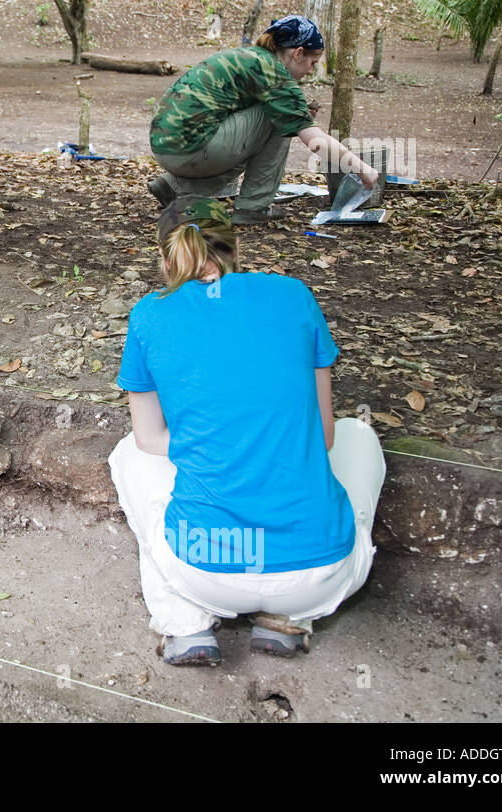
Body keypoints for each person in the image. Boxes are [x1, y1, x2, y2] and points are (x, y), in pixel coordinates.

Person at [108, 197, 385, 665]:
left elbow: (149, 436)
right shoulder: (294, 294)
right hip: (318, 572)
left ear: (165, 255)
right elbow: (323, 433)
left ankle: (184, 622)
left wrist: (211, 444)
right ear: (237, 247)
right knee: (358, 434)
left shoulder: (150, 314)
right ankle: (287, 620)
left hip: (204, 569)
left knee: (130, 453)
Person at [147, 15, 380, 225]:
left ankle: (173, 187)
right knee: (282, 122)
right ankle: (254, 207)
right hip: (189, 147)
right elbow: (314, 140)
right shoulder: (275, 73)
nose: (311, 70)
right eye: (312, 62)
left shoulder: (250, 57)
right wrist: (362, 169)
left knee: (282, 119)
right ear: (298, 52)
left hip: (165, 144)